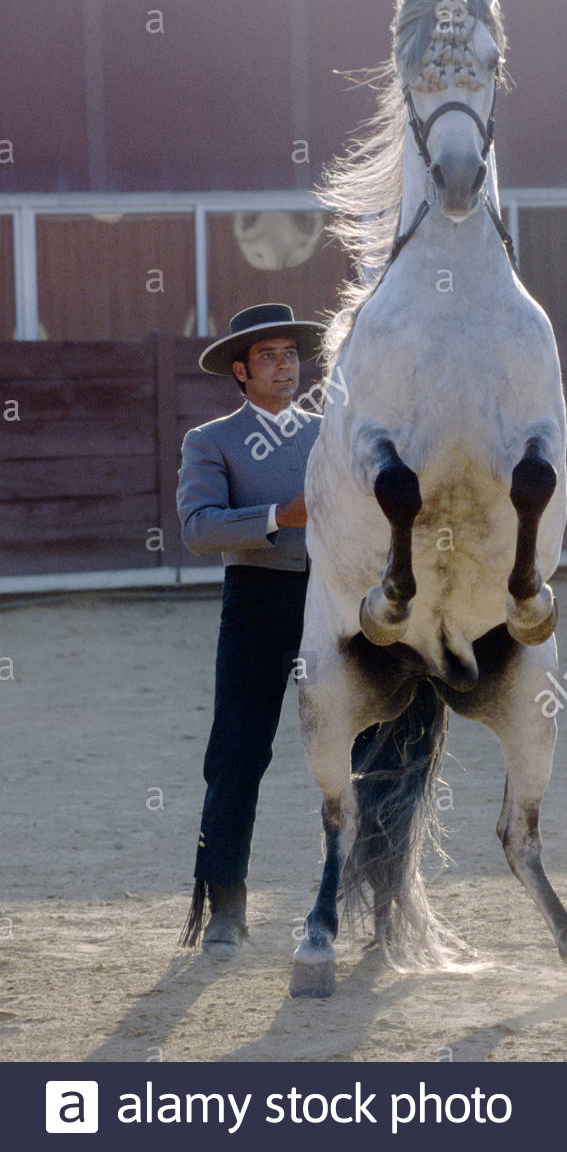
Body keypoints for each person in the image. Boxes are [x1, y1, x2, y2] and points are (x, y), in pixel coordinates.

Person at [176, 302, 325, 961]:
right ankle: (225, 906)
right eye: (268, 356)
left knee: (370, 744)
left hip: (331, 598)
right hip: (258, 599)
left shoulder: (332, 431)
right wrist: (278, 515)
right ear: (240, 371)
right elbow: (198, 529)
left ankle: (377, 897)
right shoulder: (210, 440)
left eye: (290, 354)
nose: (284, 366)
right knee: (237, 753)